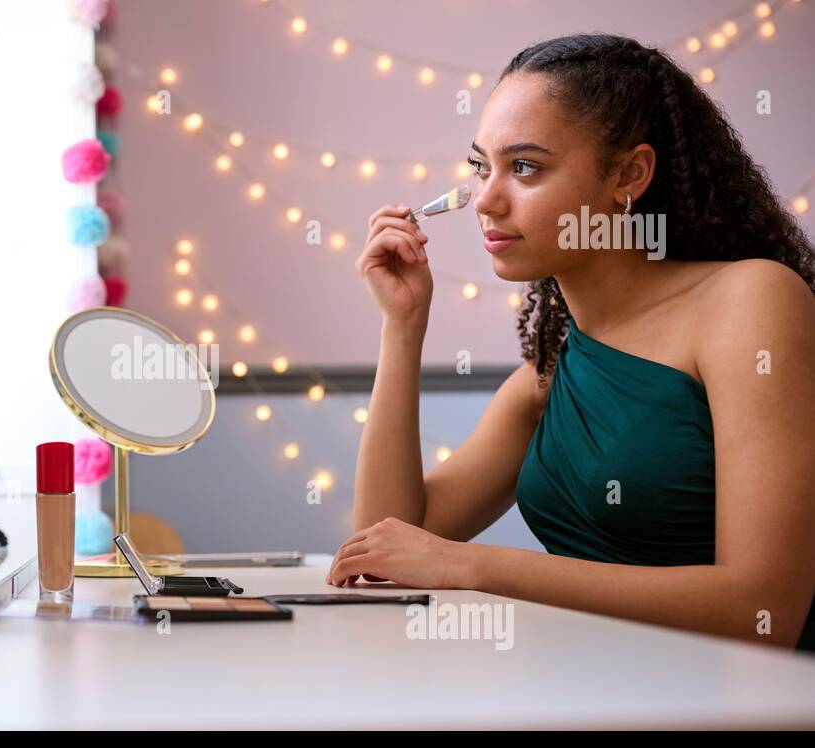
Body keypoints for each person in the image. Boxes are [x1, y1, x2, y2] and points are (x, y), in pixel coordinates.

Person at [332, 33, 815, 653]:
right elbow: (386, 543)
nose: (485, 198)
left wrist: (474, 565)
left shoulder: (752, 301)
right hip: (588, 693)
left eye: (525, 167)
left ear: (630, 174)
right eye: (482, 166)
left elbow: (762, 610)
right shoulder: (552, 370)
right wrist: (403, 326)